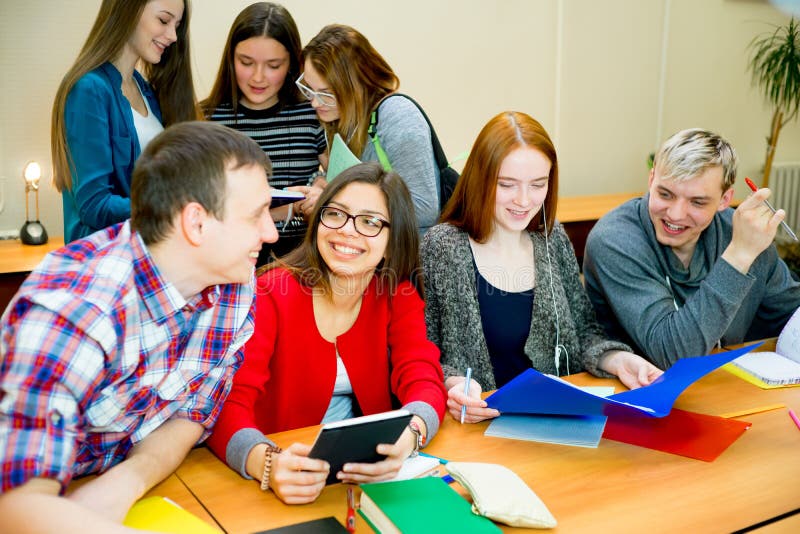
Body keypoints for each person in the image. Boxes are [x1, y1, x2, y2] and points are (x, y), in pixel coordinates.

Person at [0, 121, 278, 531]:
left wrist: (127, 480)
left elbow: (193, 413)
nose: (270, 232)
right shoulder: (76, 310)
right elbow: (15, 506)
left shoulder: (235, 284)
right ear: (196, 223)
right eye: (256, 216)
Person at [207, 162, 447, 504]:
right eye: (336, 214)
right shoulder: (269, 293)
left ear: (393, 243)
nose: (347, 231)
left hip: (358, 477)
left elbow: (423, 377)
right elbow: (227, 403)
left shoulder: (396, 293)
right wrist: (266, 463)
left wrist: (410, 436)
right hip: (276, 475)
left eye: (369, 222)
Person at [421, 111, 662, 423]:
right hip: (481, 431)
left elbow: (584, 332)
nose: (524, 200)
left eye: (538, 184)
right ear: (480, 179)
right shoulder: (443, 247)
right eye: (507, 184)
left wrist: (619, 360)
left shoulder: (550, 237)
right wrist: (453, 385)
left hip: (553, 424)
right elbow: (422, 355)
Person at [583, 128, 800, 368]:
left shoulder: (741, 232)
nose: (675, 215)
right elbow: (674, 354)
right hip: (641, 395)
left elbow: (790, 315)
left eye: (697, 202)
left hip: (726, 387)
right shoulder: (614, 240)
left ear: (725, 199)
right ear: (651, 179)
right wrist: (738, 256)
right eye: (665, 194)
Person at [51, 0, 199, 243]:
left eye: (177, 25)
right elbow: (94, 206)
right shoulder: (89, 90)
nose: (173, 36)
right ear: (129, 10)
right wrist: (172, 205)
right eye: (163, 20)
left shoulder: (144, 91)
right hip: (106, 265)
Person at [203, 2, 327, 262]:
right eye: (246, 62)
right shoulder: (207, 118)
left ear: (292, 64)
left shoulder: (314, 113)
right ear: (230, 59)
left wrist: (322, 189)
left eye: (273, 65)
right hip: (228, 256)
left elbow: (339, 179)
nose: (258, 77)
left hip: (301, 259)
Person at [300, 24, 440, 235]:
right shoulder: (341, 119)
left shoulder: (397, 115)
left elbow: (424, 208)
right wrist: (322, 187)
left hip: (407, 260)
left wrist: (333, 201)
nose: (314, 103)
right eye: (309, 89)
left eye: (326, 93)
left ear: (357, 85)